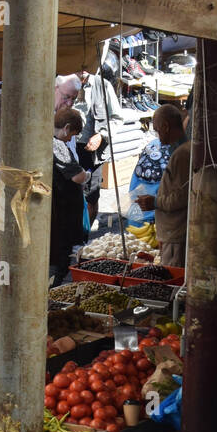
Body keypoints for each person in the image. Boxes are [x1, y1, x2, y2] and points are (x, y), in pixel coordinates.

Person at [135, 103, 190, 267]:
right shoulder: (182, 151)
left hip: (177, 234)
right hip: (172, 233)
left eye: (158, 130)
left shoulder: (182, 155)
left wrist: (155, 202)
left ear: (166, 127)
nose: (158, 136)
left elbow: (182, 196)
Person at [74, 64, 127, 227]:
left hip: (92, 150)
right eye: (78, 64)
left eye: (86, 65)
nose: (82, 69)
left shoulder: (102, 85)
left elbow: (117, 118)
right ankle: (71, 233)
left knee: (91, 194)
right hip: (68, 148)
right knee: (69, 193)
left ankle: (84, 235)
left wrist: (101, 135)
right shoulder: (63, 83)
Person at [50, 107, 89, 285]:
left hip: (59, 209)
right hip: (62, 211)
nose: (71, 139)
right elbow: (77, 176)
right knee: (61, 258)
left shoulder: (48, 141)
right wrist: (87, 175)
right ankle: (51, 289)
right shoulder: (57, 145)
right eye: (72, 134)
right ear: (66, 128)